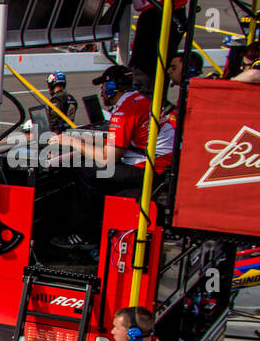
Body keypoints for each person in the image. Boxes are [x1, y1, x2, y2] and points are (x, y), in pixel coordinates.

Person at [50, 66, 173, 251]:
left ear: (111, 87)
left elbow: (109, 158)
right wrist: (82, 140)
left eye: (103, 86)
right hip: (160, 166)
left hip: (150, 170)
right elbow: (119, 142)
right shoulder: (139, 100)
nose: (101, 92)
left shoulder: (125, 111)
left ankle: (83, 234)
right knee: (93, 167)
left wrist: (71, 141)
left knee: (87, 170)